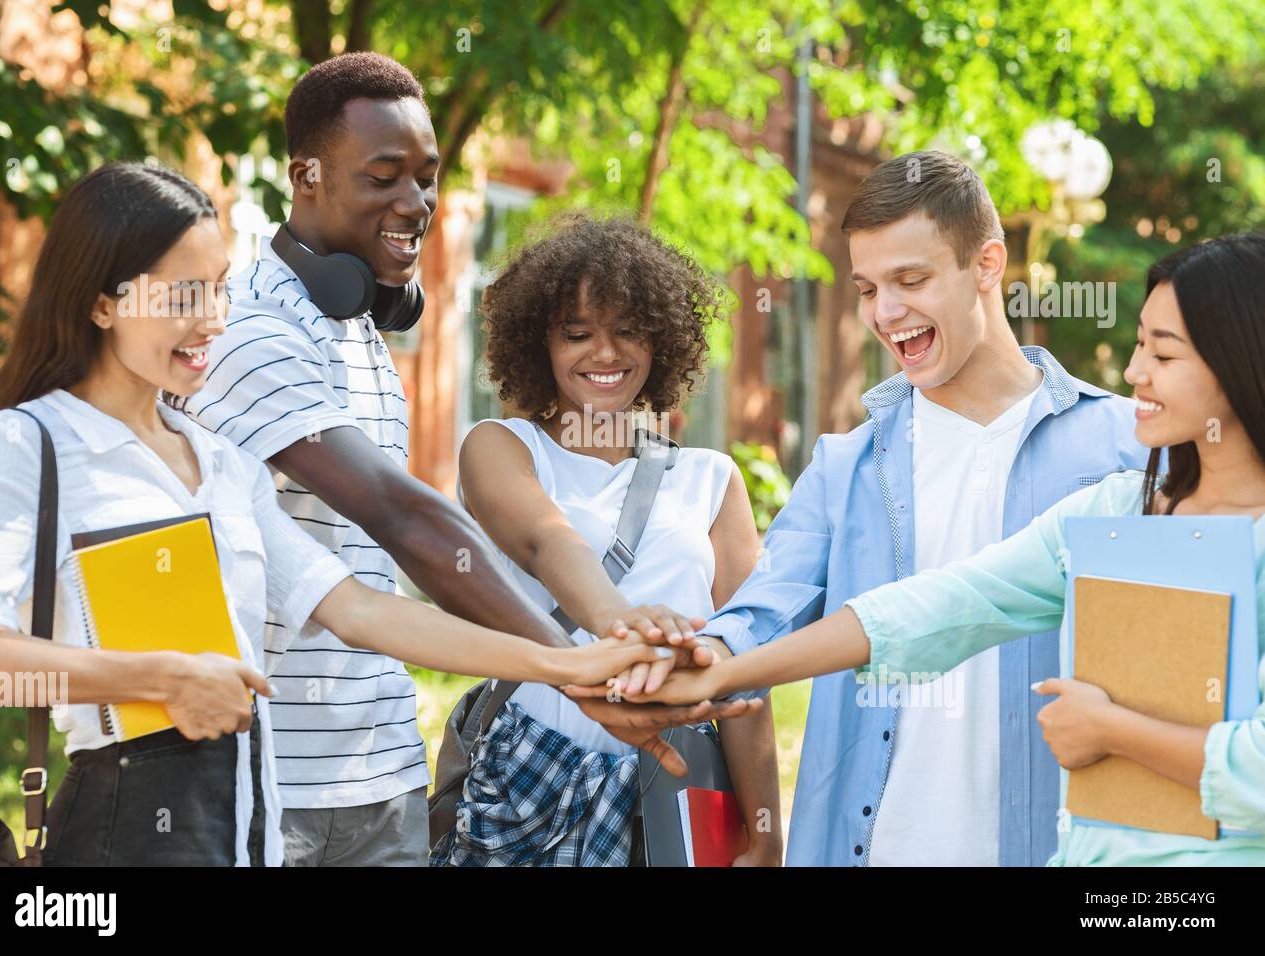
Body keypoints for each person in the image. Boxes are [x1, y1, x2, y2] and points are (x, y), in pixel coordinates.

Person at [0, 162, 679, 867]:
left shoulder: (222, 465)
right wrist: (161, 678)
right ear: (102, 303)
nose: (215, 320)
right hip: (117, 838)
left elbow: (364, 611)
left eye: (219, 290)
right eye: (186, 295)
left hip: (246, 831)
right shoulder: (31, 443)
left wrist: (569, 667)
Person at [178, 52, 751, 866]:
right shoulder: (253, 334)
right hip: (283, 777)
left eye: (426, 177)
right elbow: (403, 516)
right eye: (384, 177)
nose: (416, 204)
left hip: (379, 762)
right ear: (305, 175)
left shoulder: (356, 330)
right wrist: (575, 671)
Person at [601, 232, 1265, 866]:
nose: (1134, 371)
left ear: (1240, 359)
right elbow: (937, 607)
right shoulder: (1117, 508)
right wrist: (721, 669)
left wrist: (1112, 730)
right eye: (1140, 345)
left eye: (1165, 354)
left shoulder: (1133, 460)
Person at [434, 215, 783, 866]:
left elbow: (747, 672)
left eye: (628, 331)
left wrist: (765, 835)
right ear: (538, 342)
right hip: (529, 783)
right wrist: (623, 622)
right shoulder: (503, 448)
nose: (605, 354)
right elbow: (543, 540)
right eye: (577, 334)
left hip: (672, 790)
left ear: (662, 341)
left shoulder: (711, 478)